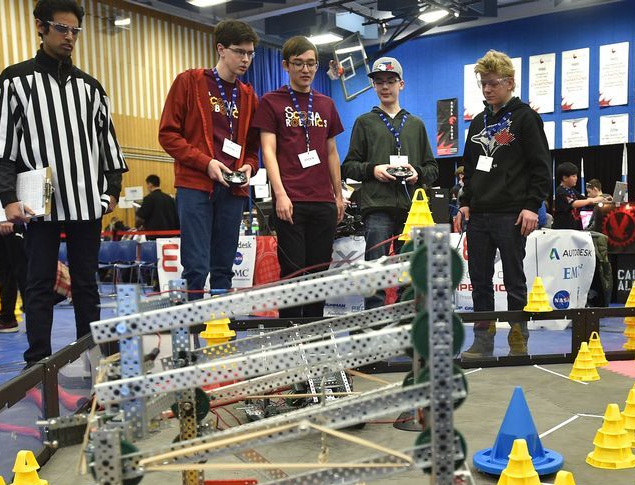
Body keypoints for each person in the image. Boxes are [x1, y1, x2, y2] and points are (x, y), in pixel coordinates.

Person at [0, 0, 126, 367]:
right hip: (38, 202)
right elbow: (1, 147)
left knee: (86, 285)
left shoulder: (92, 88)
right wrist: (7, 199)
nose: (69, 37)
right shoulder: (14, 80)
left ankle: (93, 357)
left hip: (86, 200)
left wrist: (111, 191)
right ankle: (38, 363)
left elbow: (108, 144)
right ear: (40, 26)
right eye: (61, 29)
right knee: (37, 285)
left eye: (75, 31)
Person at [454, 50, 551, 357]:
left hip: (511, 214)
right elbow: (469, 167)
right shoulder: (478, 121)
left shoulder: (526, 118)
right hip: (479, 215)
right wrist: (466, 202)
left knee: (513, 279)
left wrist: (531, 206)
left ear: (509, 83)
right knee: (480, 281)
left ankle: (518, 340)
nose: (487, 89)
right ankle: (483, 341)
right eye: (483, 83)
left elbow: (540, 167)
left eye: (493, 83)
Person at [158, 19, 260, 299]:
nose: (246, 59)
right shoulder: (189, 82)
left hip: (234, 188)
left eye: (250, 53)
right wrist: (207, 163)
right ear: (221, 49)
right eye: (240, 51)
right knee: (196, 265)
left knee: (224, 265)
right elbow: (168, 135)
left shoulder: (249, 97)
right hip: (196, 186)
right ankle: (193, 330)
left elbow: (253, 147)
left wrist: (250, 165)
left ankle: (220, 326)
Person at [255, 35, 344, 318]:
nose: (305, 70)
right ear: (286, 65)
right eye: (298, 64)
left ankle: (315, 335)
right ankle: (291, 337)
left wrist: (338, 194)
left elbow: (331, 152)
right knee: (293, 272)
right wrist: (279, 193)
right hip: (290, 201)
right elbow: (268, 151)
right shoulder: (271, 102)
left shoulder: (326, 104)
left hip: (323, 201)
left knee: (319, 275)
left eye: (310, 64)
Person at [342, 56, 437, 309]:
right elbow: (348, 166)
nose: (385, 87)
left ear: (401, 84)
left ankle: (411, 324)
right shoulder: (364, 122)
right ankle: (375, 326)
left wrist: (416, 173)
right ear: (374, 86)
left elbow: (432, 169)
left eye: (391, 81)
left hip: (412, 212)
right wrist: (374, 169)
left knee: (412, 272)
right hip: (377, 208)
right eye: (380, 82)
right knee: (376, 271)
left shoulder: (416, 125)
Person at [553, 163, 607, 231]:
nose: (576, 178)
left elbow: (585, 199)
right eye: (573, 176)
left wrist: (601, 199)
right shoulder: (560, 191)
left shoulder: (572, 190)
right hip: (564, 229)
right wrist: (593, 200)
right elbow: (574, 203)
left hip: (574, 226)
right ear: (565, 178)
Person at [0, 222, 26, 332]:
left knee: (20, 269)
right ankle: (7, 318)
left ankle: (33, 317)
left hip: (8, 222)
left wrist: (6, 218)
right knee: (3, 270)